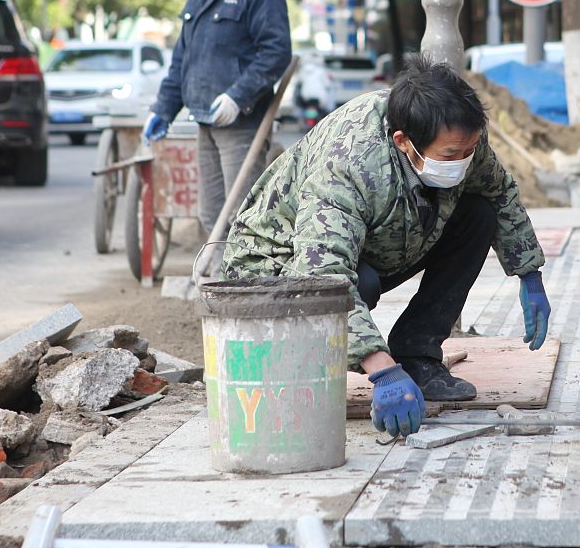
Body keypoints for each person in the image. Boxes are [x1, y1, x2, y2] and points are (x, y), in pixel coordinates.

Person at [219, 55, 551, 438]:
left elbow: (498, 191)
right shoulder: (347, 167)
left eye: (468, 151)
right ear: (403, 142)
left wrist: (529, 273)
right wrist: (382, 371)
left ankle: (418, 355)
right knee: (362, 282)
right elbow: (322, 277)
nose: (461, 162)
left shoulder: (458, 133)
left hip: (372, 240)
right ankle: (315, 360)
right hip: (276, 267)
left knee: (478, 215)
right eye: (449, 156)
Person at [143, 0, 292, 234]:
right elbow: (182, 60)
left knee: (241, 213)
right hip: (204, 120)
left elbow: (276, 53)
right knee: (210, 215)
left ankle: (244, 281)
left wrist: (237, 98)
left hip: (242, 125)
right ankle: (215, 279)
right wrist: (163, 110)